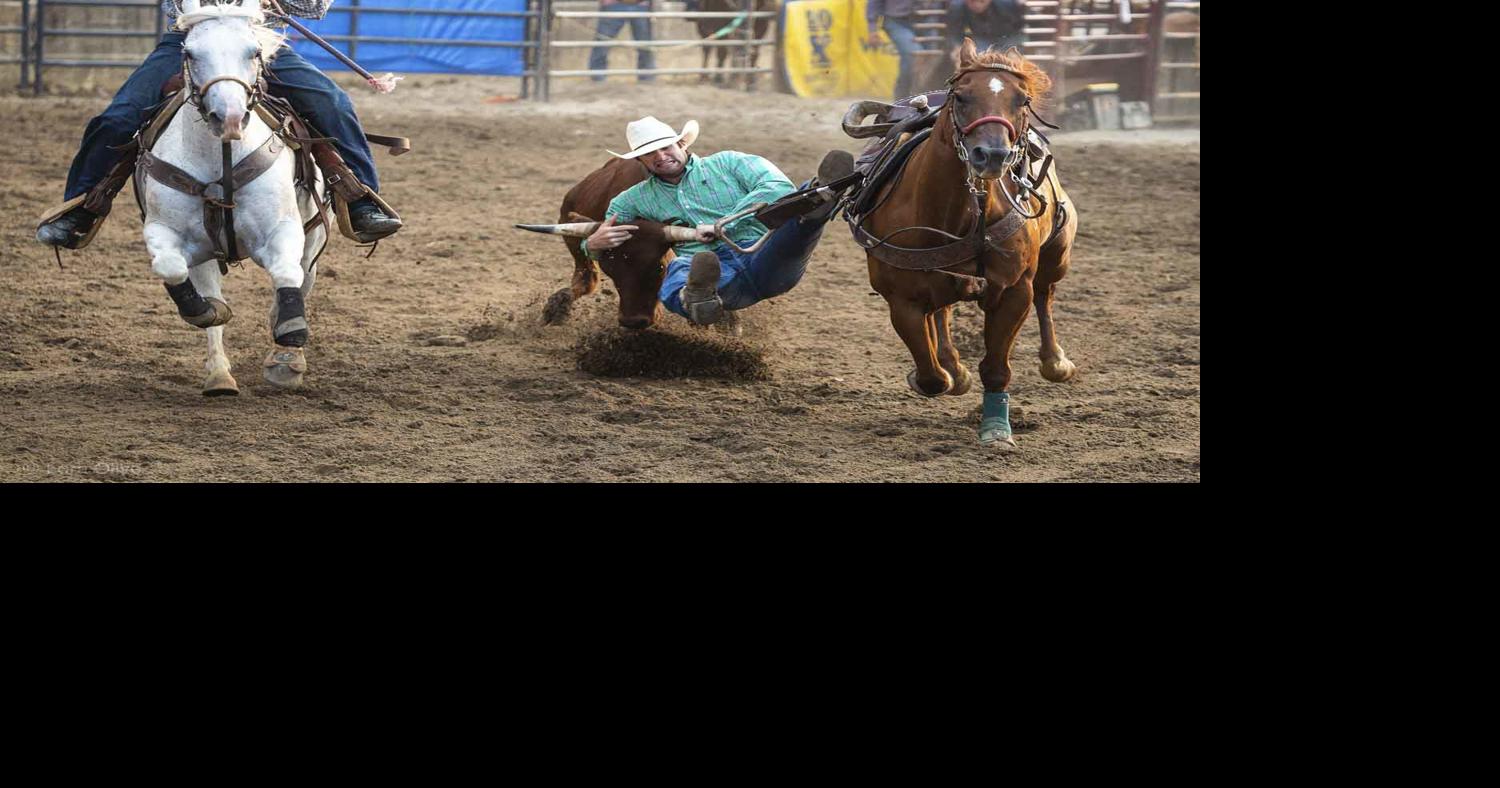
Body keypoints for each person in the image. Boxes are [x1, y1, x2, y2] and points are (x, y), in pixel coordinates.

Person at [36, 0, 401, 249]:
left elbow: (314, 7)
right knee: (117, 117)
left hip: (256, 42)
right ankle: (83, 207)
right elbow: (173, 6)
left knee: (332, 103)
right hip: (192, 42)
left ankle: (359, 199)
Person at [581, 116, 856, 326]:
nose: (660, 157)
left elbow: (776, 186)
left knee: (796, 211)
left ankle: (821, 195)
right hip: (718, 273)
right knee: (679, 273)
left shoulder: (728, 163)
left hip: (763, 250)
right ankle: (697, 300)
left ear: (681, 144)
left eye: (665, 148)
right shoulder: (630, 201)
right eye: (650, 154)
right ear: (640, 159)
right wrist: (592, 245)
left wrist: (725, 223)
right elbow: (618, 243)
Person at [589, 0, 657, 83]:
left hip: (640, 4)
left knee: (645, 44)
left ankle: (647, 78)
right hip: (613, 4)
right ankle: (597, 78)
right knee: (603, 42)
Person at [866, 0, 919, 101]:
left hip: (931, 18)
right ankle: (903, 98)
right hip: (897, 20)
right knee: (914, 55)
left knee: (930, 59)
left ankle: (921, 95)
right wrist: (872, 29)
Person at [946, 0, 1026, 61]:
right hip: (979, 40)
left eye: (982, 0)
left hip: (1007, 39)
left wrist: (1010, 49)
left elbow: (1018, 31)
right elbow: (954, 32)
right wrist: (958, 46)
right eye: (972, 1)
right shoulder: (957, 6)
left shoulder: (1006, 4)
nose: (977, 5)